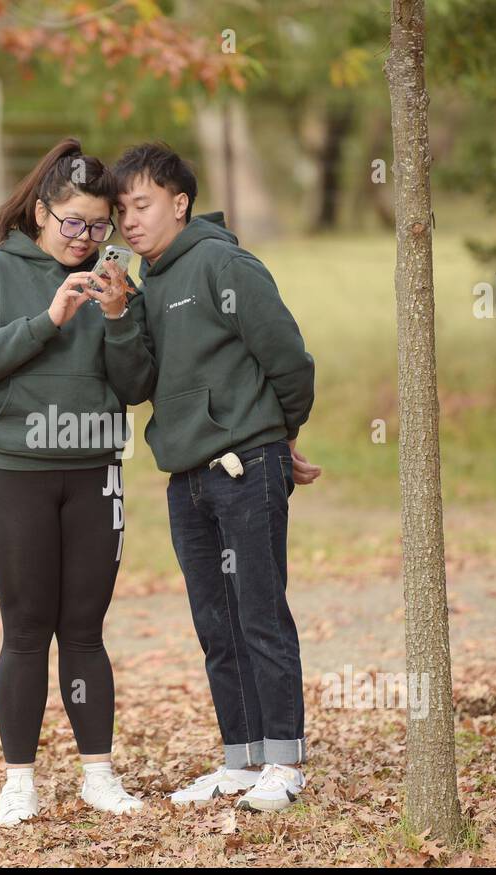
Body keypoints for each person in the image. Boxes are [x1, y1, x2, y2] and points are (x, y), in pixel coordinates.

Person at [110, 141, 322, 812]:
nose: (129, 221)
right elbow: (136, 382)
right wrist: (117, 316)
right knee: (214, 622)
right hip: (186, 478)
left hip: (246, 466)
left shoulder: (222, 262)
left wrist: (277, 434)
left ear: (179, 202)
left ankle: (284, 763)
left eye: (141, 205)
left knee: (260, 612)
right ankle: (240, 760)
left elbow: (288, 356)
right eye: (121, 211)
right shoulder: (149, 282)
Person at [0, 138, 150, 826]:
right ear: (41, 212)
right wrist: (49, 319)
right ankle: (20, 781)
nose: (86, 239)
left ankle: (99, 774)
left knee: (85, 628)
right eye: (74, 223)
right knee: (27, 628)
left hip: (94, 473)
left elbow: (135, 384)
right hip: (15, 475)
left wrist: (119, 319)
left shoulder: (114, 280)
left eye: (99, 227)